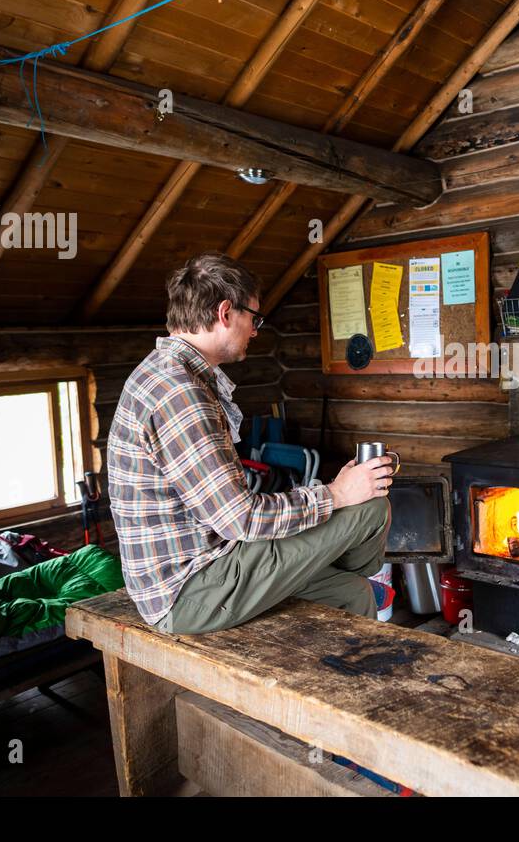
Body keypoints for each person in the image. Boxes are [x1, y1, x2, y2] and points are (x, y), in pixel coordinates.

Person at [106, 254, 395, 634]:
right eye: (254, 319)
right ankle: (325, 563)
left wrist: (337, 495)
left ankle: (333, 678)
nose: (256, 331)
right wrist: (337, 494)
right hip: (191, 590)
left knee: (353, 593)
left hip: (211, 564)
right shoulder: (180, 393)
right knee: (370, 508)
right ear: (226, 313)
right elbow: (240, 518)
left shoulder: (164, 372)